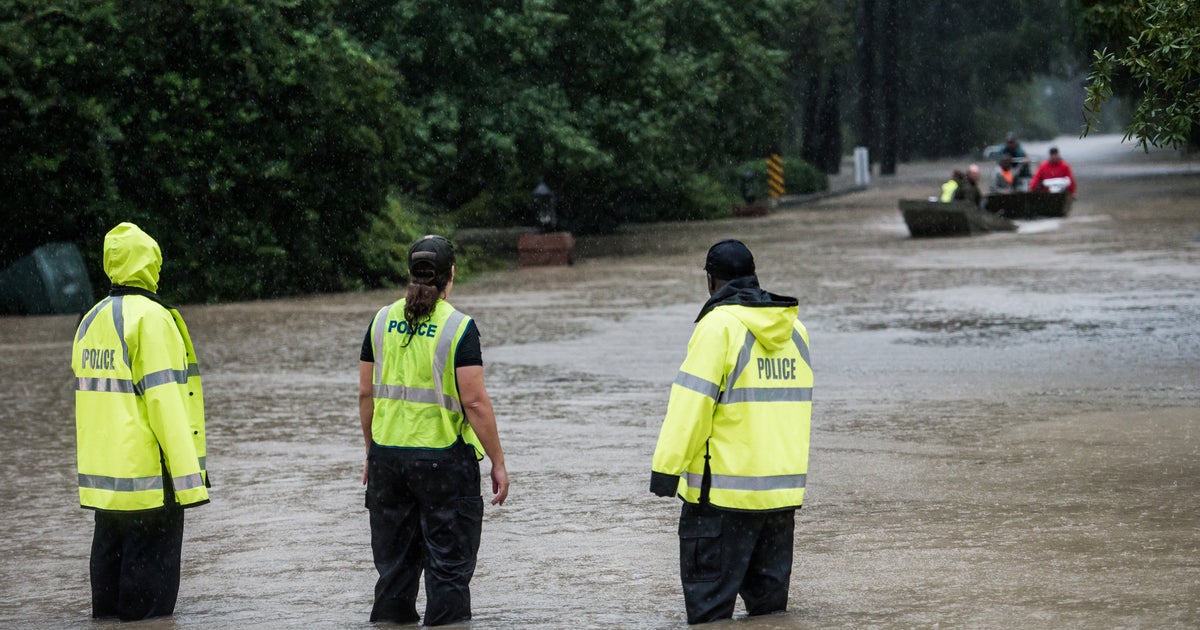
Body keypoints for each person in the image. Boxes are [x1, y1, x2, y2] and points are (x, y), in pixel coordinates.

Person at [650, 239, 813, 625]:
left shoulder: (718, 327)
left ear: (712, 281)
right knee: (770, 616)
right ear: (754, 277)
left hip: (721, 502)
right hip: (779, 502)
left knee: (709, 616)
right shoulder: (796, 331)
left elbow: (691, 406)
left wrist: (665, 471)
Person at [359, 234, 509, 626]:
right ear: (451, 275)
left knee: (394, 575)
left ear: (410, 275)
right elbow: (474, 402)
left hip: (388, 462)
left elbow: (365, 395)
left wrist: (371, 454)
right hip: (443, 462)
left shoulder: (380, 320)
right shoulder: (459, 327)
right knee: (448, 574)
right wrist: (498, 461)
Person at [72, 222, 210, 620]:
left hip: (107, 483)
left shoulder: (89, 320)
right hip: (151, 481)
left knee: (109, 606)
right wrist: (189, 483)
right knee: (150, 612)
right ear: (150, 263)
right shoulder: (153, 318)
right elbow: (166, 404)